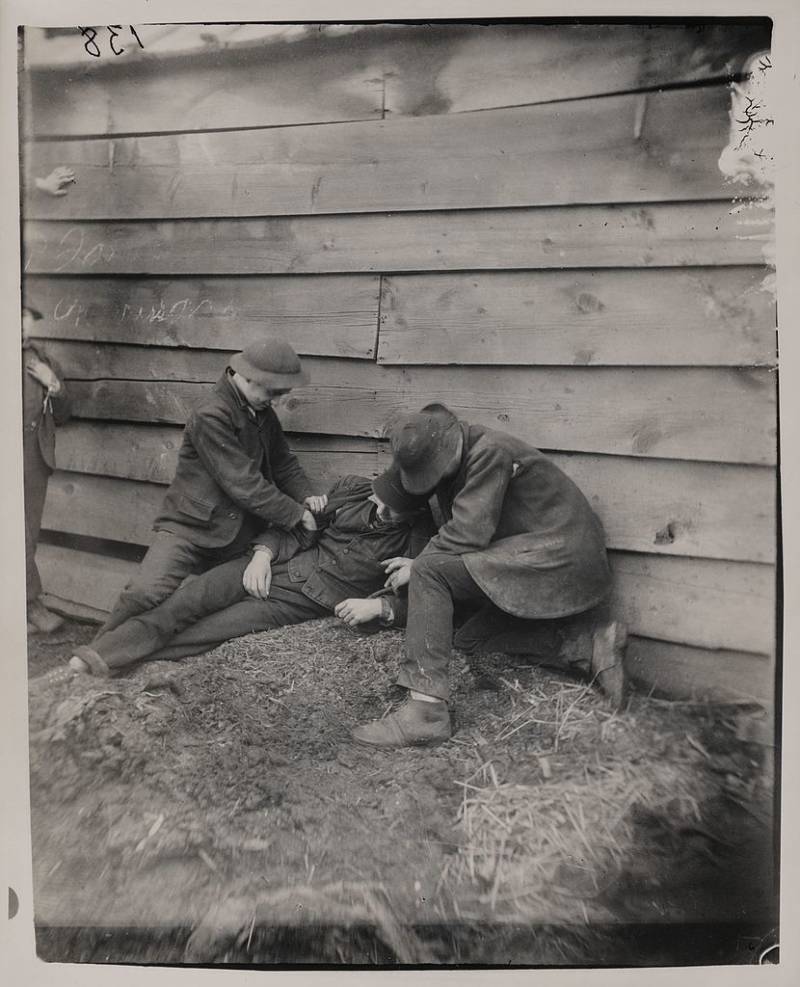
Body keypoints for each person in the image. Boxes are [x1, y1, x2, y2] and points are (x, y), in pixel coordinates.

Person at [350, 404, 628, 749]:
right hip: (530, 553)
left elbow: (467, 535)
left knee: (429, 569)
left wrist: (416, 565)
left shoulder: (489, 452)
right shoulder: (456, 455)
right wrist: (388, 497)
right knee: (469, 639)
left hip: (561, 556)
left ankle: (426, 713)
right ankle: (585, 645)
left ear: (449, 445)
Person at [67, 470, 432, 675]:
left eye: (394, 511)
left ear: (415, 512)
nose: (381, 512)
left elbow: (416, 601)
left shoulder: (420, 541)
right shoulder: (355, 492)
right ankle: (91, 658)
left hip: (302, 599)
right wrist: (263, 553)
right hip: (277, 564)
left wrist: (382, 609)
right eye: (380, 502)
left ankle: (116, 667)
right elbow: (297, 524)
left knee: (208, 631)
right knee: (188, 599)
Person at [93, 337, 329, 644]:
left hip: (238, 533)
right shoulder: (211, 414)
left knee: (216, 604)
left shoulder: (262, 413)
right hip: (190, 527)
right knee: (144, 593)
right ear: (247, 378)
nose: (274, 400)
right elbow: (242, 482)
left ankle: (146, 653)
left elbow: (283, 463)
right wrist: (295, 514)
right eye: (272, 391)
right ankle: (100, 650)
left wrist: (305, 495)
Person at [22, 302, 71, 633]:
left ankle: (26, 606)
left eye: (27, 323)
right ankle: (29, 604)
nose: (23, 329)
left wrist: (52, 383)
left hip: (31, 454)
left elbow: (65, 412)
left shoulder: (41, 360)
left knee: (27, 530)